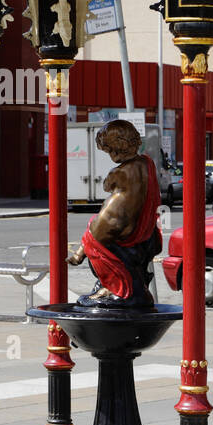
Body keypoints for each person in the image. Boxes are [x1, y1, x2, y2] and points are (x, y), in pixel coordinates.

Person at [68, 119, 162, 307]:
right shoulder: (146, 163)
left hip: (114, 224)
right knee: (93, 229)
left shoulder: (118, 172)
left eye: (112, 150)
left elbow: (106, 186)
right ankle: (87, 262)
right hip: (133, 224)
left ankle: (115, 287)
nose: (112, 155)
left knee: (94, 240)